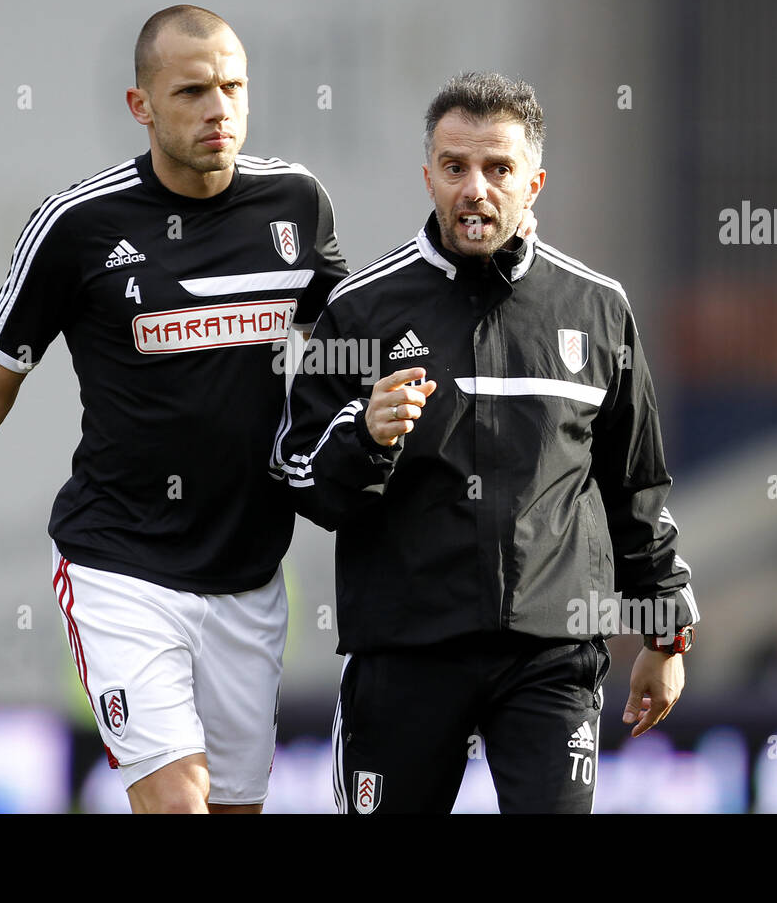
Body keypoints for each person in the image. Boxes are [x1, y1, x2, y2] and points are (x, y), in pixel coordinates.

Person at [0, 4, 351, 814]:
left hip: (250, 575)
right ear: (142, 106)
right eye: (192, 91)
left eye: (233, 86)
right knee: (175, 804)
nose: (218, 108)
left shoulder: (295, 205)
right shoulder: (77, 226)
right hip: (121, 567)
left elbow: (354, 348)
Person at [270, 71, 700, 813]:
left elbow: (637, 487)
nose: (476, 188)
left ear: (533, 181)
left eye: (498, 168)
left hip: (552, 655)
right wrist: (365, 439)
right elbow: (297, 470)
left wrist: (664, 634)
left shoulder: (598, 310)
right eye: (456, 167)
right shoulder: (362, 308)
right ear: (428, 176)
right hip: (406, 651)